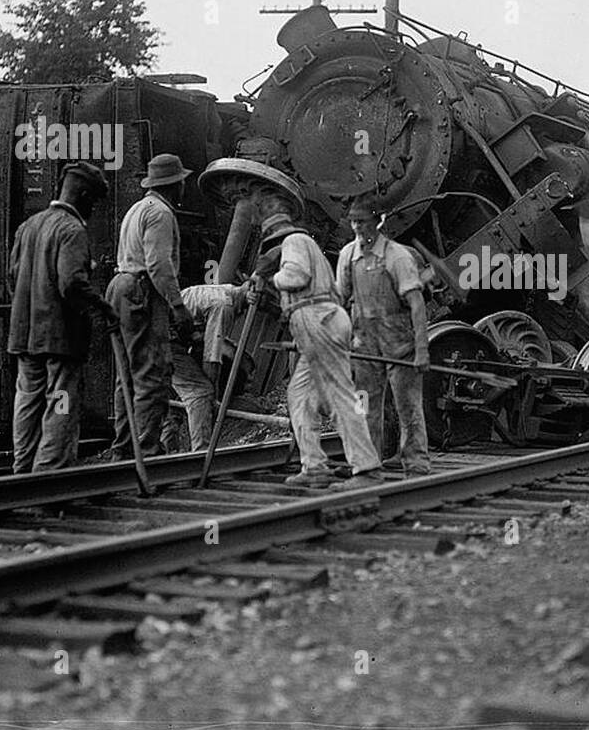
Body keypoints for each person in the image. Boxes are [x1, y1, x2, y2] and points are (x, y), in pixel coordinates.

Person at [253, 206, 383, 491]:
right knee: (299, 397)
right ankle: (314, 466)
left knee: (338, 396)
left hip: (319, 321)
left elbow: (296, 277)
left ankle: (367, 468)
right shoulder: (305, 245)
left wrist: (270, 279)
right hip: (315, 323)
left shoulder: (294, 242)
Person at [7, 161, 117, 472]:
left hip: (24, 336)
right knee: (60, 404)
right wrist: (102, 307)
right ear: (82, 195)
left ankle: (21, 473)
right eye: (92, 201)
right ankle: (50, 478)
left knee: (27, 402)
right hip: (60, 339)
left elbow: (13, 277)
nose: (93, 209)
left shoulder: (28, 226)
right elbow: (71, 283)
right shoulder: (71, 230)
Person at [106, 153, 195, 459]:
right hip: (142, 290)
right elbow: (158, 265)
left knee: (127, 376)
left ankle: (124, 447)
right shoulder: (161, 213)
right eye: (182, 182)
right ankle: (145, 450)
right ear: (175, 184)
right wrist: (178, 306)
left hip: (121, 286)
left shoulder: (137, 208)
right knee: (152, 373)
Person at [335, 196, 432, 473]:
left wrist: (422, 349)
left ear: (377, 222)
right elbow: (339, 298)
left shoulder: (397, 256)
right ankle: (367, 462)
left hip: (400, 345)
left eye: (363, 222)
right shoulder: (347, 255)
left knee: (408, 408)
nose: (357, 228)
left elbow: (416, 304)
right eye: (353, 222)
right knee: (364, 406)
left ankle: (416, 464)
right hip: (365, 346)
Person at [164, 279, 258, 452]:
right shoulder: (224, 305)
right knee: (200, 393)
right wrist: (213, 395)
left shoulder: (226, 291)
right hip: (165, 341)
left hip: (166, 337)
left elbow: (203, 343)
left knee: (173, 399)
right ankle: (200, 457)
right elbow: (211, 356)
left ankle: (165, 457)